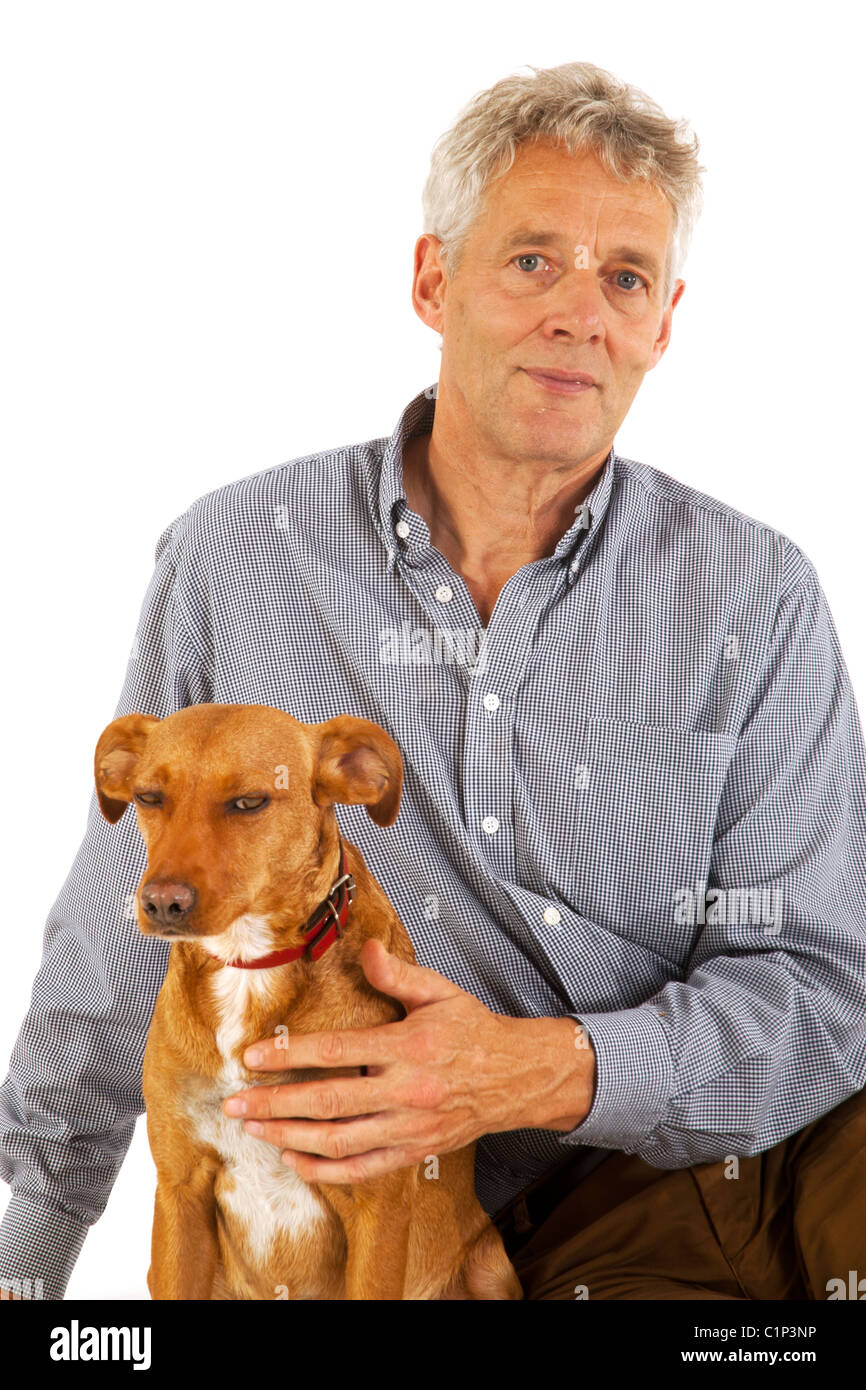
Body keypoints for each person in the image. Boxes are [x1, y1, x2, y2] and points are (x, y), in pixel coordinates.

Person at [2, 59, 865, 1302]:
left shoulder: (754, 594)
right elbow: (124, 925)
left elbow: (821, 989)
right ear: (431, 280)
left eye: (623, 277)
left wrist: (544, 1069)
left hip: (665, 1194)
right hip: (347, 1235)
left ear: (662, 324)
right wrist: (29, 1268)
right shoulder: (238, 556)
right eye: (531, 261)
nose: (580, 312)